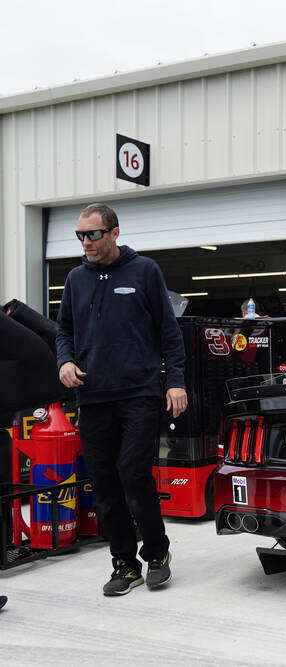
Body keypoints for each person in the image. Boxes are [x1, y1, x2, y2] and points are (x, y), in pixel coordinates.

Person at [55, 203, 187, 596]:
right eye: (80, 235)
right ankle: (125, 564)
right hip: (94, 397)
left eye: (92, 235)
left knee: (133, 473)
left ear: (113, 232)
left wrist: (175, 382)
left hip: (140, 393)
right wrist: (63, 360)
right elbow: (64, 330)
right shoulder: (76, 278)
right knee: (105, 484)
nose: (85, 243)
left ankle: (157, 553)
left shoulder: (144, 271)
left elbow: (169, 332)